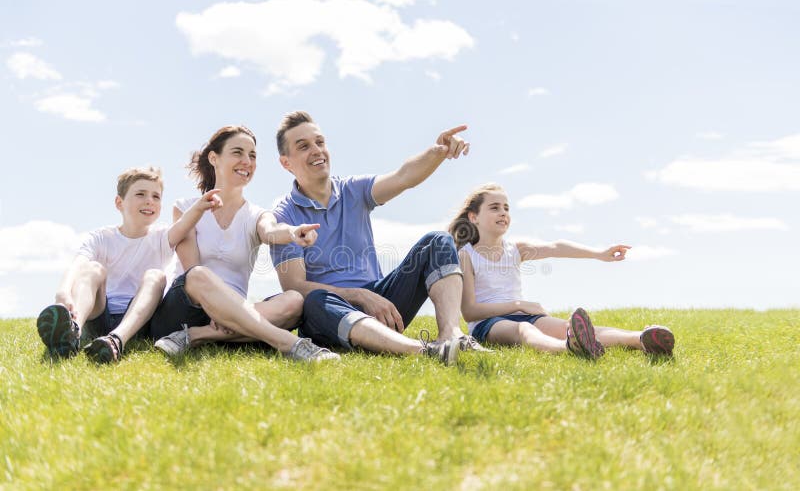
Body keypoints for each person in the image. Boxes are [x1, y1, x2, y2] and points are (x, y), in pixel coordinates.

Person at [269, 111, 489, 366]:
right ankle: (423, 351)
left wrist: (437, 152)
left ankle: (452, 336)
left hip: (381, 307)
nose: (317, 150)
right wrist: (360, 296)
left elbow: (403, 177)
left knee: (437, 240)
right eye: (304, 146)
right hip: (329, 315)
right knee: (315, 301)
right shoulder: (284, 215)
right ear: (286, 163)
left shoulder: (353, 189)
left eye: (320, 142)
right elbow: (295, 286)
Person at [150, 125, 339, 362]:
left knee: (294, 301)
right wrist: (221, 310)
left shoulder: (256, 214)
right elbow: (190, 269)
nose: (247, 161)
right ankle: (288, 343)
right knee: (199, 274)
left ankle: (197, 336)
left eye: (252, 156)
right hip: (187, 306)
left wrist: (292, 233)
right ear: (214, 158)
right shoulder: (187, 207)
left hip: (235, 312)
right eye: (238, 152)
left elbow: (271, 231)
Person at [449, 183, 675, 359]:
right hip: (488, 323)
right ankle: (568, 348)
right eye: (494, 207)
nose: (503, 213)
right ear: (473, 217)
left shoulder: (516, 249)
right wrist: (518, 305)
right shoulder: (466, 255)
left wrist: (598, 253)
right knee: (524, 330)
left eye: (506, 208)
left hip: (524, 314)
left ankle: (643, 339)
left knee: (565, 327)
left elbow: (557, 247)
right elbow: (469, 312)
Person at [36, 166, 222, 362]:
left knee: (156, 276)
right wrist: (63, 292)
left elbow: (184, 224)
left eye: (156, 196)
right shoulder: (101, 237)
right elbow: (78, 264)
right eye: (140, 194)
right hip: (101, 315)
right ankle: (73, 332)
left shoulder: (161, 237)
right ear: (119, 202)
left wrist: (201, 206)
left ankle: (116, 341)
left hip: (139, 322)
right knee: (93, 269)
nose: (149, 200)